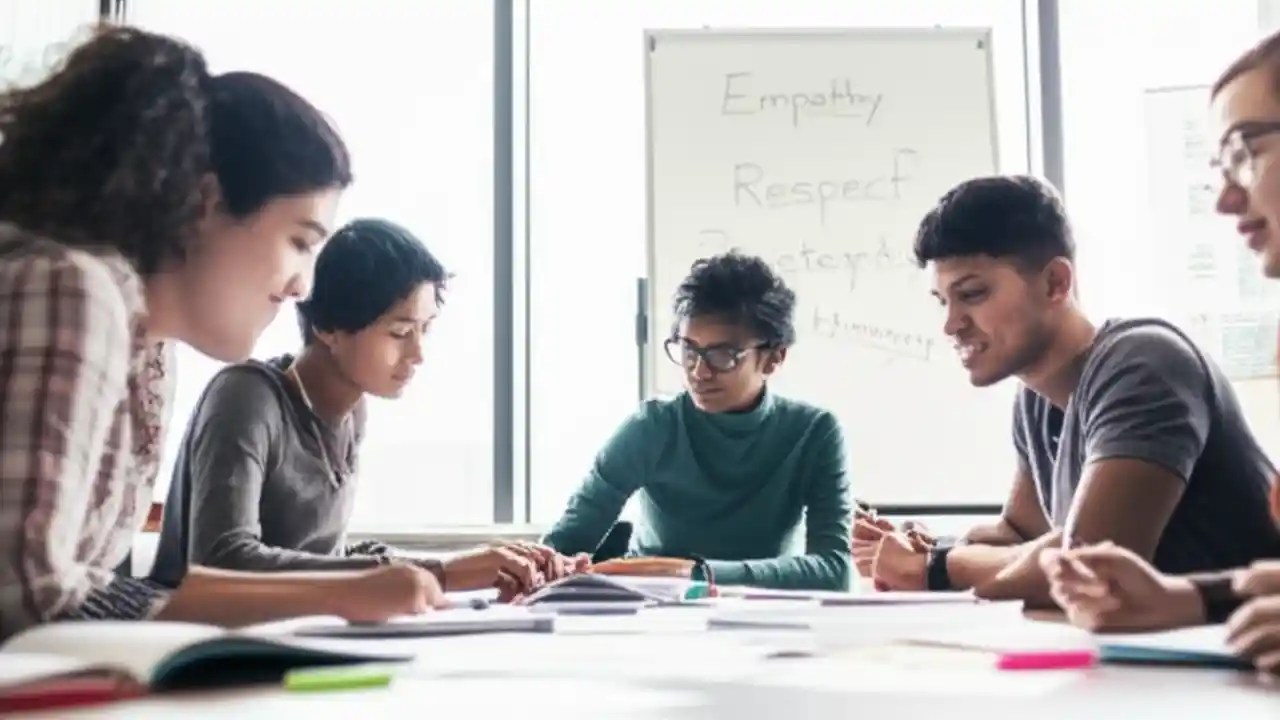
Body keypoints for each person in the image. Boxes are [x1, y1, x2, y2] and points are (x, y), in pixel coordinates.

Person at [0, 26, 441, 642]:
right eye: (299, 242)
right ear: (205, 202)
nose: (303, 287)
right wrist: (339, 591)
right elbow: (27, 591)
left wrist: (345, 587)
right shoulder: (76, 286)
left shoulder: (150, 351)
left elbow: (85, 584)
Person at [853, 175, 1280, 606]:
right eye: (942, 301)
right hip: (1165, 658)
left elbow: (1085, 565)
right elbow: (1017, 536)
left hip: (1247, 654)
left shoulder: (1144, 363)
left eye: (972, 294)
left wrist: (934, 568)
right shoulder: (1036, 395)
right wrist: (929, 547)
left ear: (1056, 282)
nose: (951, 324)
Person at [150, 218, 579, 597]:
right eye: (399, 332)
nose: (418, 354)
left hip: (293, 631)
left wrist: (477, 564)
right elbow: (222, 562)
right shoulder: (246, 396)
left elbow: (323, 556)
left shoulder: (351, 412)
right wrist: (439, 573)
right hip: (189, 637)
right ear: (327, 327)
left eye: (425, 329)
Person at [1044, 29, 1280, 674]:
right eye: (1218, 168)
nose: (1226, 198)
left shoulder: (1143, 357)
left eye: (1243, 153)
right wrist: (1183, 600)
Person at [542, 251, 853, 590]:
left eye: (723, 356)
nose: (698, 372)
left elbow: (835, 570)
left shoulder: (814, 432)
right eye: (689, 350)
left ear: (773, 359)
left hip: (764, 615)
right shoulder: (651, 427)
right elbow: (560, 548)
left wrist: (693, 574)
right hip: (653, 609)